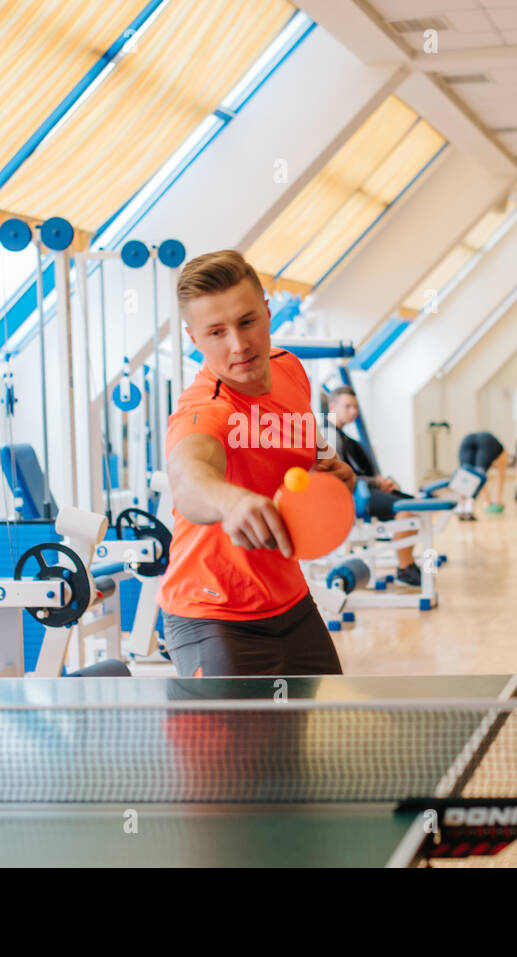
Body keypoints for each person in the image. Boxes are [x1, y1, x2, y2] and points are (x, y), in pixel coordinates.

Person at [159, 250, 356, 678]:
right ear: (195, 340)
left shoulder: (289, 369)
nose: (239, 344)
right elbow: (189, 479)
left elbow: (310, 448)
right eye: (216, 332)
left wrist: (333, 470)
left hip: (291, 602)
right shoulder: (205, 407)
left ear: (267, 314)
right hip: (213, 616)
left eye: (247, 321)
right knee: (242, 747)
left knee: (328, 738)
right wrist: (230, 502)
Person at [324, 386, 422, 586]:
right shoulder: (329, 435)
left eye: (355, 407)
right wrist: (376, 483)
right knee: (408, 510)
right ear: (333, 406)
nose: (353, 411)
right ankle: (405, 567)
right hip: (350, 495)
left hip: (361, 490)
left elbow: (358, 471)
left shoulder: (343, 436)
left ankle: (407, 564)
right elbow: (339, 476)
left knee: (412, 505)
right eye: (348, 406)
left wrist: (380, 482)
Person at [456, 431, 506, 519]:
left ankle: (461, 507)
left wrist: (487, 500)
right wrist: (496, 501)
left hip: (467, 439)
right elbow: (500, 476)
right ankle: (468, 507)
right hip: (487, 439)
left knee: (465, 474)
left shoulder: (495, 449)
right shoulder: (501, 451)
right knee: (479, 474)